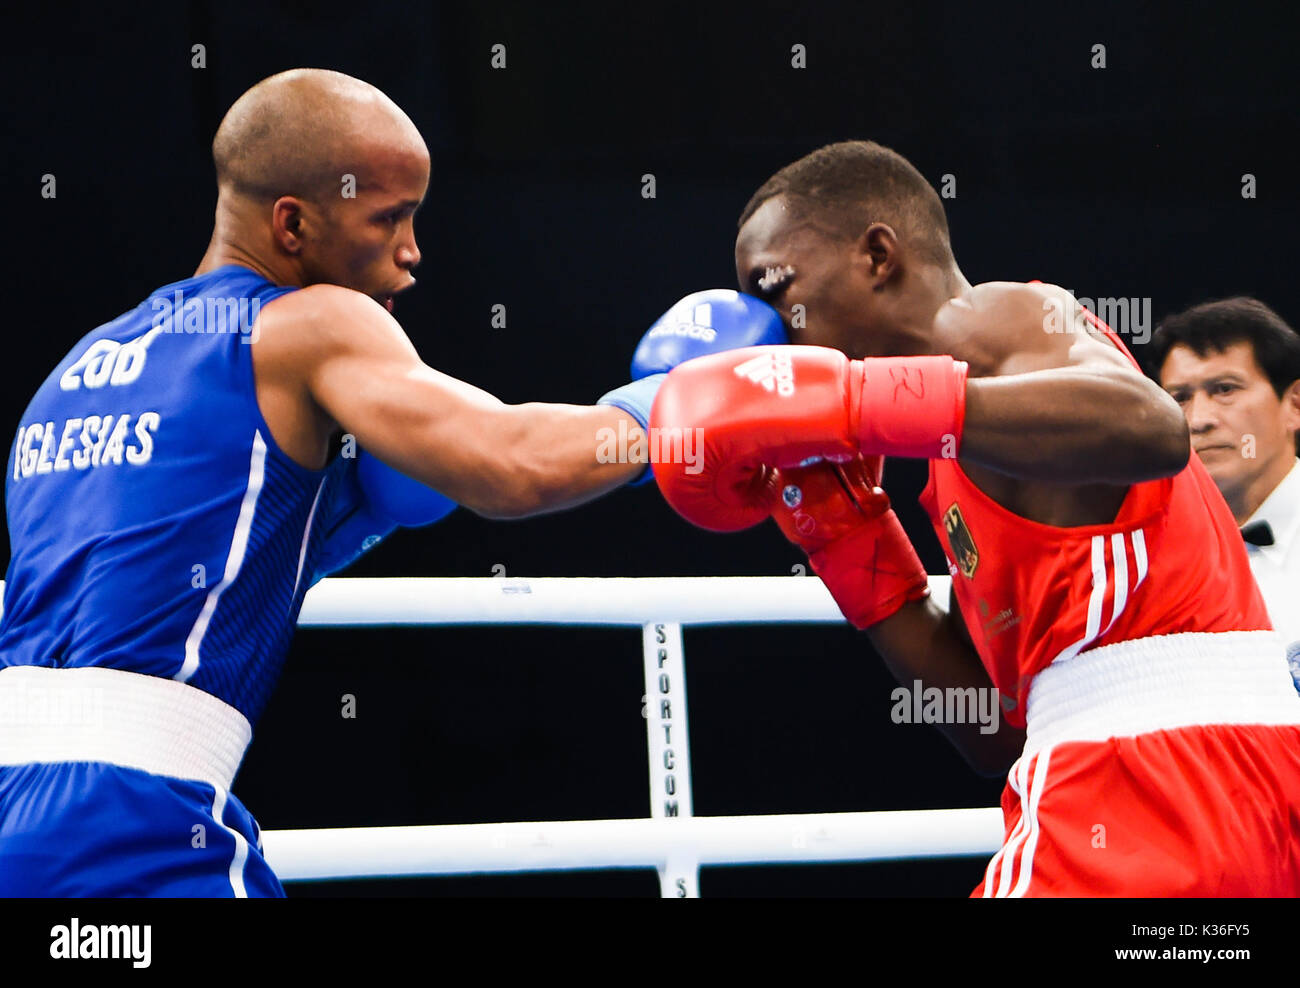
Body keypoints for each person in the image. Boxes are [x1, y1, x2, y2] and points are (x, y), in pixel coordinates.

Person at [0, 68, 784, 897]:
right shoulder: (306, 324)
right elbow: (510, 465)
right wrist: (674, 403)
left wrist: (354, 511)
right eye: (390, 218)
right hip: (135, 822)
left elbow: (173, 565)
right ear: (292, 224)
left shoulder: (79, 370)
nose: (413, 252)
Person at [649, 140, 1300, 896]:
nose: (765, 329)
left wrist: (853, 403)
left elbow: (1154, 429)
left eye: (775, 288)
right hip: (1217, 784)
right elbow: (992, 727)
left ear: (877, 254)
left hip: (1143, 783)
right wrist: (841, 531)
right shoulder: (956, 455)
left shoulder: (995, 321)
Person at [1148, 297, 1300, 690]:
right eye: (1180, 398)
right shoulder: (1144, 559)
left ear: (1295, 406)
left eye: (1225, 389)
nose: (1199, 421)